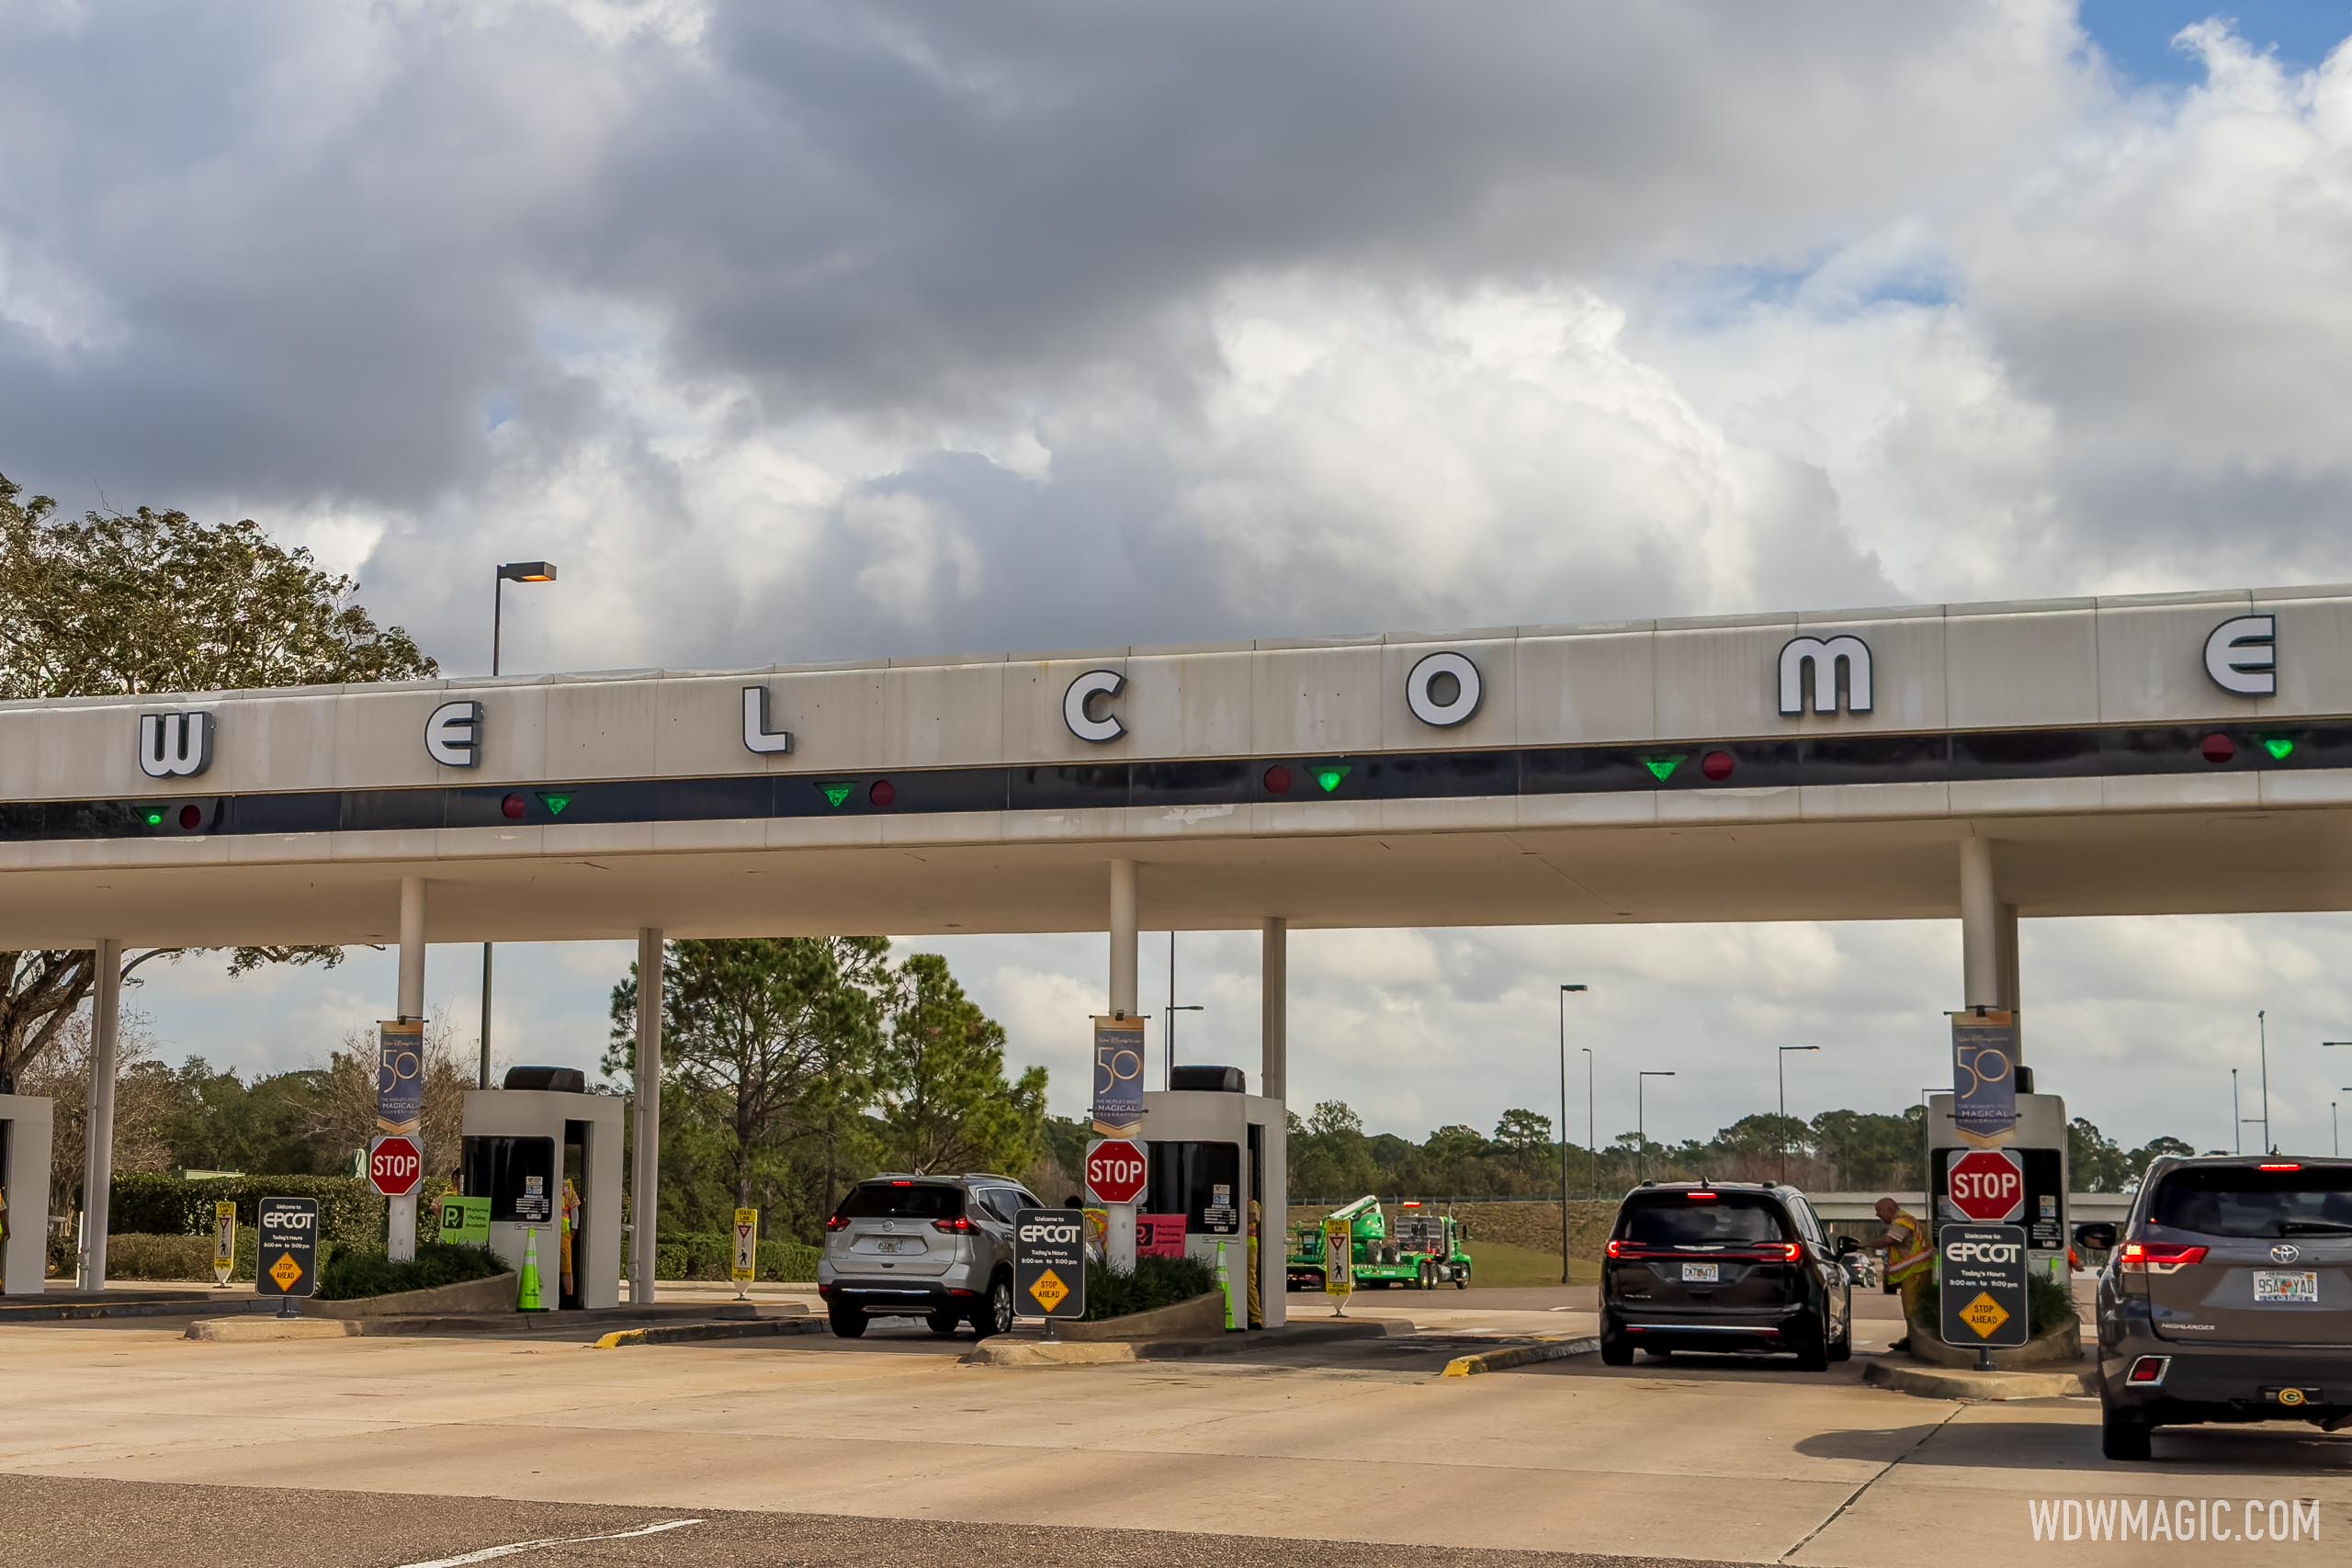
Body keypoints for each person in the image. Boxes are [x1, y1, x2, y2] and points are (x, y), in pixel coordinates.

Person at [1875, 1196, 1932, 1350]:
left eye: (1879, 1211)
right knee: (1911, 1307)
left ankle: (1916, 1341)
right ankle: (1911, 1339)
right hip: (1915, 1272)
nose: (1877, 1215)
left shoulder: (1902, 1221)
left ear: (1890, 1209)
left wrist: (1864, 1245)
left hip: (1916, 1272)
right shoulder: (1903, 1219)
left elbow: (1890, 1240)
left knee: (1912, 1307)